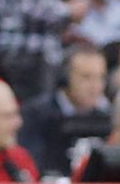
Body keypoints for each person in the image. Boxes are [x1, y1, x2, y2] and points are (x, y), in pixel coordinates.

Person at [19, 44, 109, 176]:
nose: (95, 86)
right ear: (64, 78)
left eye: (100, 77)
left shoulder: (107, 117)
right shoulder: (35, 114)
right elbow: (31, 164)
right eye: (86, 77)